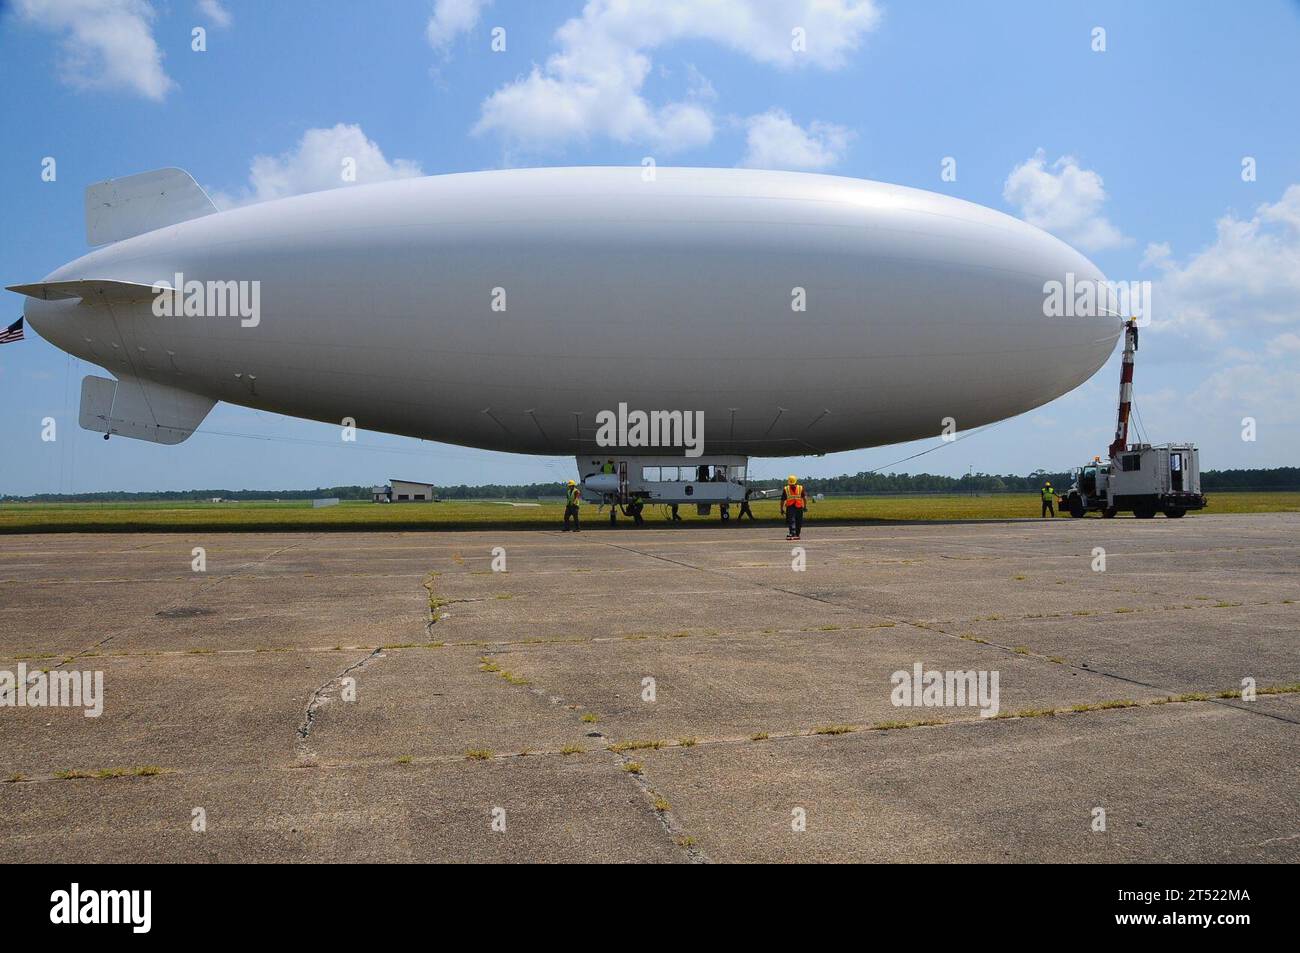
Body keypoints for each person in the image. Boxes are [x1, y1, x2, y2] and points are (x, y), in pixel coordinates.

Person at [781, 474, 806, 540]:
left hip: (791, 507)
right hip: (797, 506)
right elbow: (804, 498)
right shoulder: (800, 488)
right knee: (797, 520)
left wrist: (781, 509)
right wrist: (805, 506)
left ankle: (794, 534)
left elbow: (782, 500)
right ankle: (795, 534)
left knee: (793, 520)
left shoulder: (786, 488)